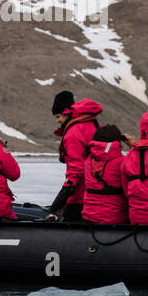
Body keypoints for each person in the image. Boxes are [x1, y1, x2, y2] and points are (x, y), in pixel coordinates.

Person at [47, 91, 103, 221]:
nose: (58, 121)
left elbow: (76, 170)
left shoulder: (73, 133)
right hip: (99, 192)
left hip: (81, 196)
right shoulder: (93, 123)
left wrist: (58, 203)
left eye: (58, 116)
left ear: (67, 113)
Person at [81, 125, 130, 224]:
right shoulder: (123, 162)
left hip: (88, 216)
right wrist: (133, 146)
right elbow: (129, 192)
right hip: (114, 219)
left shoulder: (87, 161)